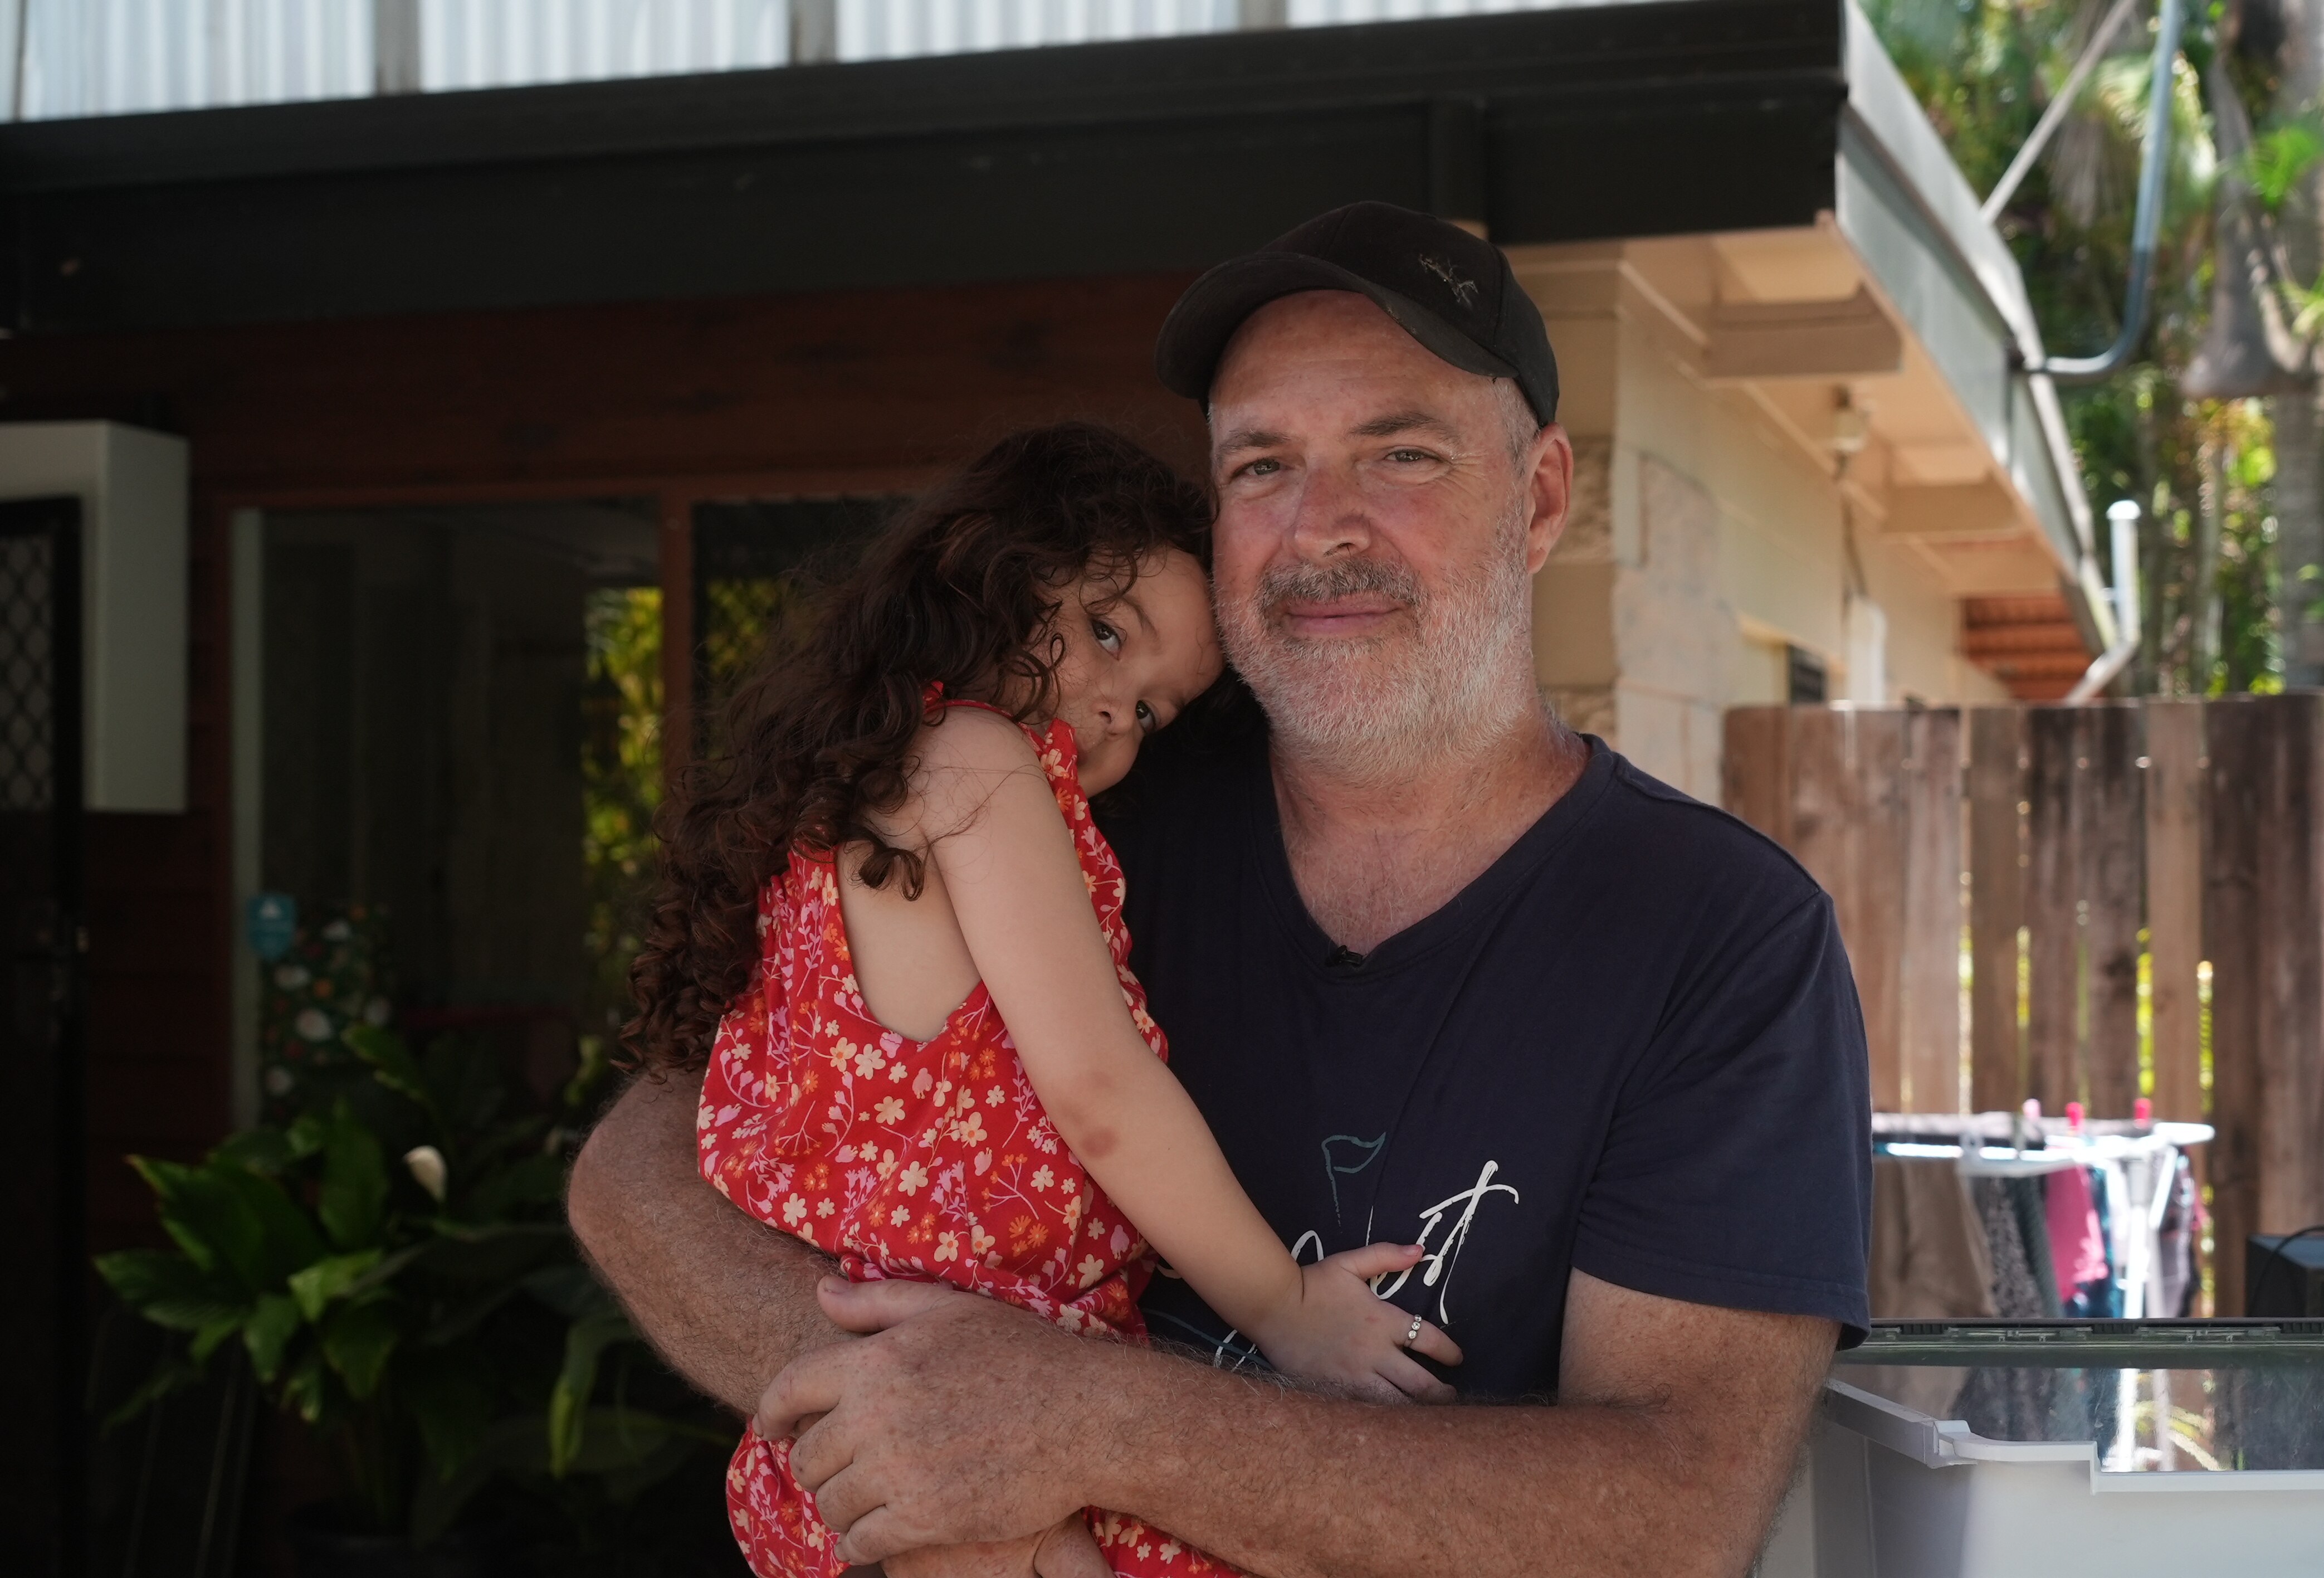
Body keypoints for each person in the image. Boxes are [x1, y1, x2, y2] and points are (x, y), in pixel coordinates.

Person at [572, 202, 1872, 1578]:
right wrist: (926, 1423)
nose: (1319, 528)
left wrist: (1086, 1426)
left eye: (1402, 452)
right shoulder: (1079, 803)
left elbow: (1674, 1518)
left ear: (1540, 499)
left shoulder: (1720, 938)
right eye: (1260, 466)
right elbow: (641, 1168)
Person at [633, 425, 1457, 1578]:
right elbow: (1098, 1091)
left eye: (1157, 711)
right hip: (969, 1413)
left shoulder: (860, 794)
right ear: (993, 575)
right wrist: (1284, 1307)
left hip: (899, 1422)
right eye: (1106, 635)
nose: (1119, 713)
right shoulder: (975, 761)